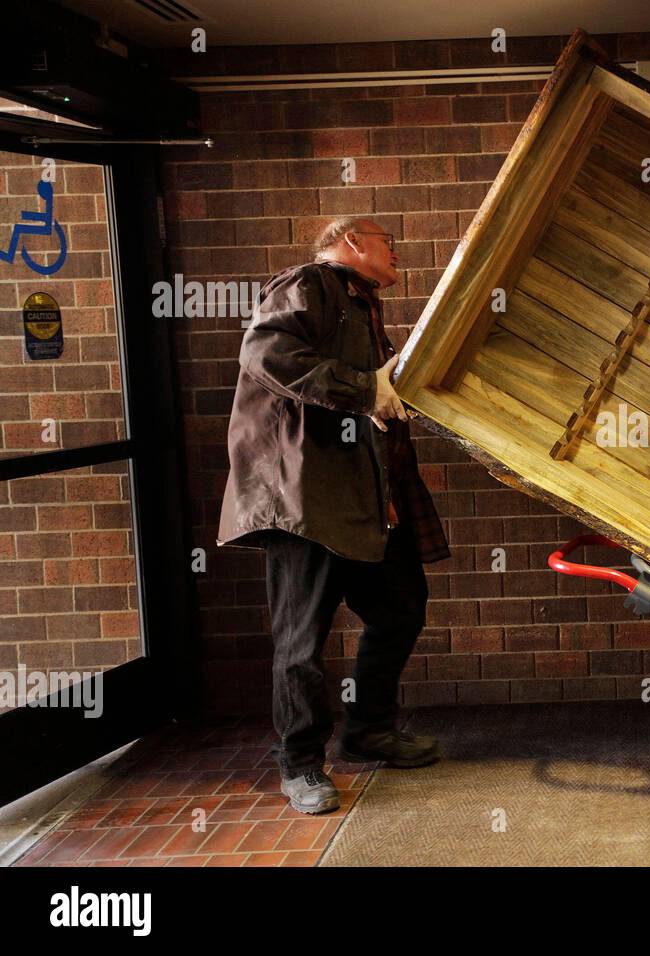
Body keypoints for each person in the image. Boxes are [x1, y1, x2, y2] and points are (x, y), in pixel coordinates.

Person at [217, 217, 451, 814]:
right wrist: (363, 391)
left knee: (400, 608)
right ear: (352, 243)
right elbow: (266, 353)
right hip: (305, 502)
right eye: (386, 242)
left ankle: (369, 730)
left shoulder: (360, 305)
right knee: (301, 643)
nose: (397, 251)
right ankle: (300, 766)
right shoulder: (311, 283)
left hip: (363, 499)